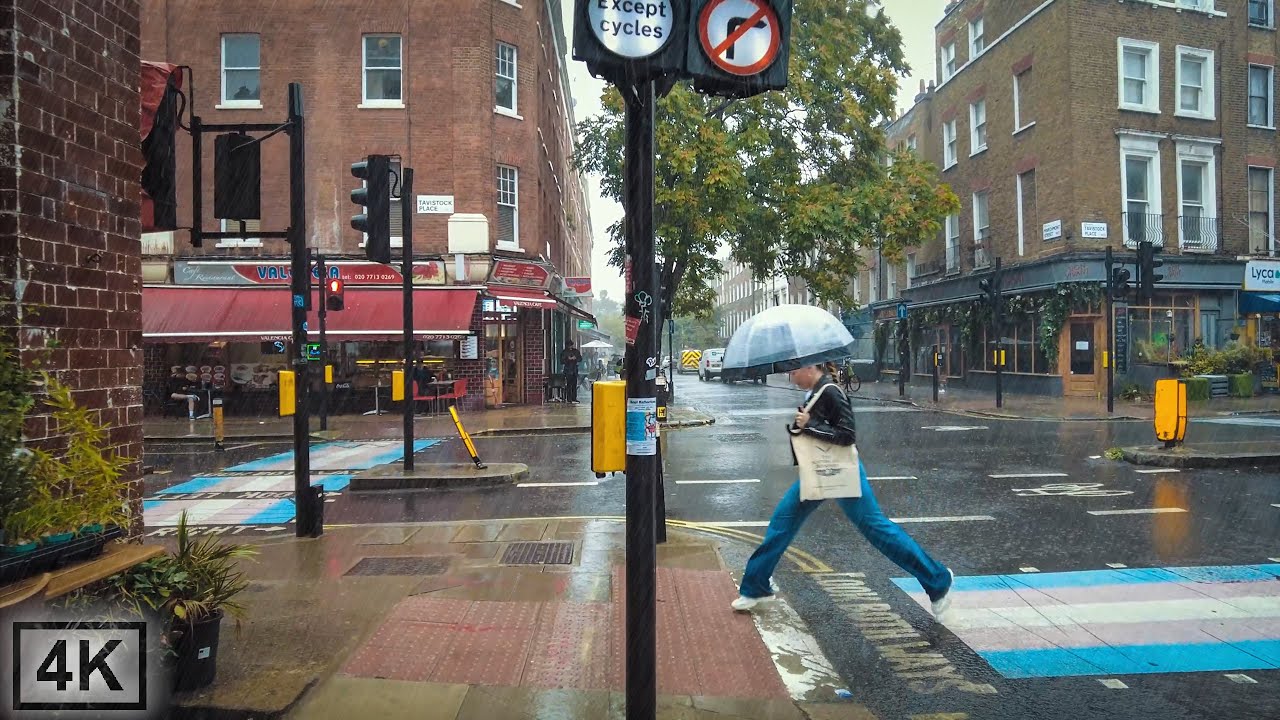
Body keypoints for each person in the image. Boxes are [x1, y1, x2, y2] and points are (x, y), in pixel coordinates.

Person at [732, 363, 955, 621]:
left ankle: (938, 580)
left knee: (877, 529)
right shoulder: (816, 390)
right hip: (819, 470)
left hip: (841, 471)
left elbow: (847, 435)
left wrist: (810, 425)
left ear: (808, 367)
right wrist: (807, 423)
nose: (790, 378)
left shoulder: (831, 391)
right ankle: (756, 586)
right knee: (782, 522)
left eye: (792, 372)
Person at [560, 340, 583, 404]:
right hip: (568, 370)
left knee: (574, 385)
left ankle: (574, 398)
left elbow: (580, 359)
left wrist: (575, 358)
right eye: (569, 345)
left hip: (574, 369)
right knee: (569, 385)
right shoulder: (564, 352)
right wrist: (568, 359)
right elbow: (561, 361)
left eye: (571, 345)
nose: (570, 346)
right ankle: (569, 398)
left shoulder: (576, 351)